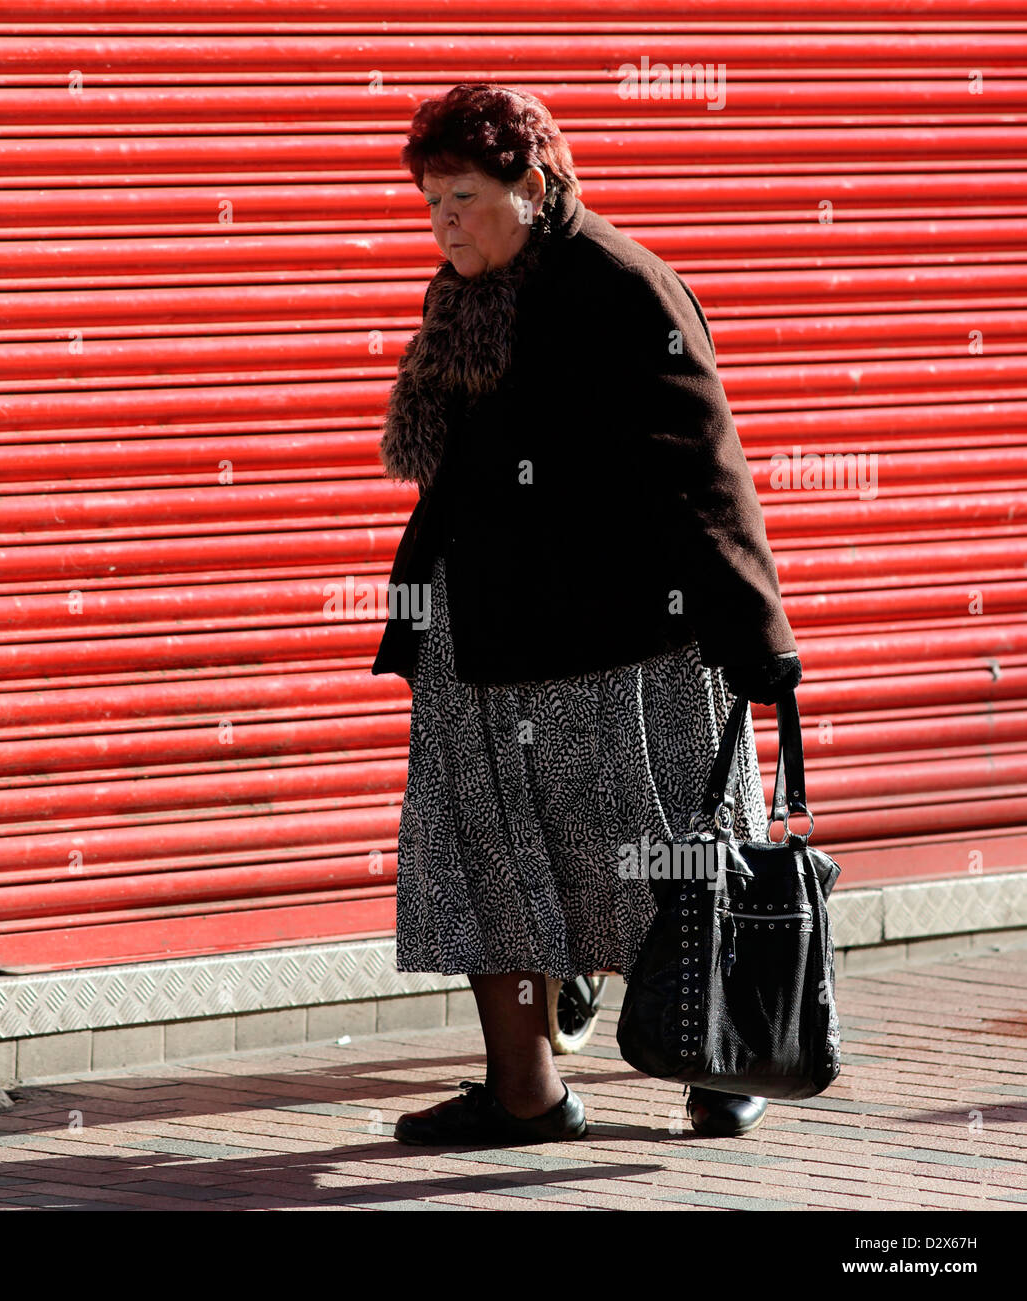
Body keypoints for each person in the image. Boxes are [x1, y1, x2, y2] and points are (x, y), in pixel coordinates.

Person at [371, 83, 802, 1145]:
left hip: (626, 643)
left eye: (463, 197)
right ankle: (525, 1091)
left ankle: (725, 1059)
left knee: (671, 857)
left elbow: (706, 470)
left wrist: (759, 638)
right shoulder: (467, 291)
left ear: (534, 183)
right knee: (480, 859)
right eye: (430, 202)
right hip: (484, 636)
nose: (443, 222)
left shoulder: (621, 284)